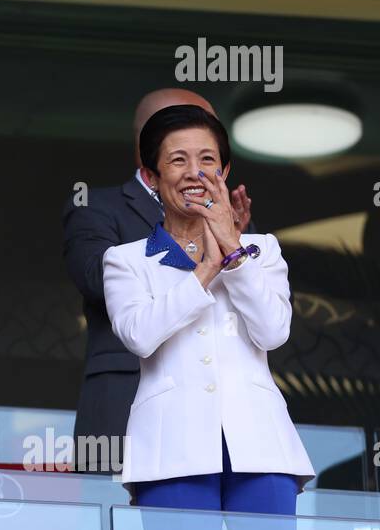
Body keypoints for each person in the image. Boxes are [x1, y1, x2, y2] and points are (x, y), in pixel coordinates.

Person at [103, 105, 314, 530]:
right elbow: (139, 334)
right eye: (178, 160)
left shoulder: (261, 249)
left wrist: (233, 253)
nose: (194, 172)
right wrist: (207, 268)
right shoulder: (125, 260)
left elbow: (273, 331)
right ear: (152, 176)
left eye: (207, 160)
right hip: (170, 451)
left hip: (261, 446)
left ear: (224, 170)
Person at [62, 88, 252, 473]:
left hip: (226, 411)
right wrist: (194, 245)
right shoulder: (98, 206)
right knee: (125, 528)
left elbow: (268, 315)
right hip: (126, 401)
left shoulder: (227, 218)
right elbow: (96, 278)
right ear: (144, 150)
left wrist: (232, 245)